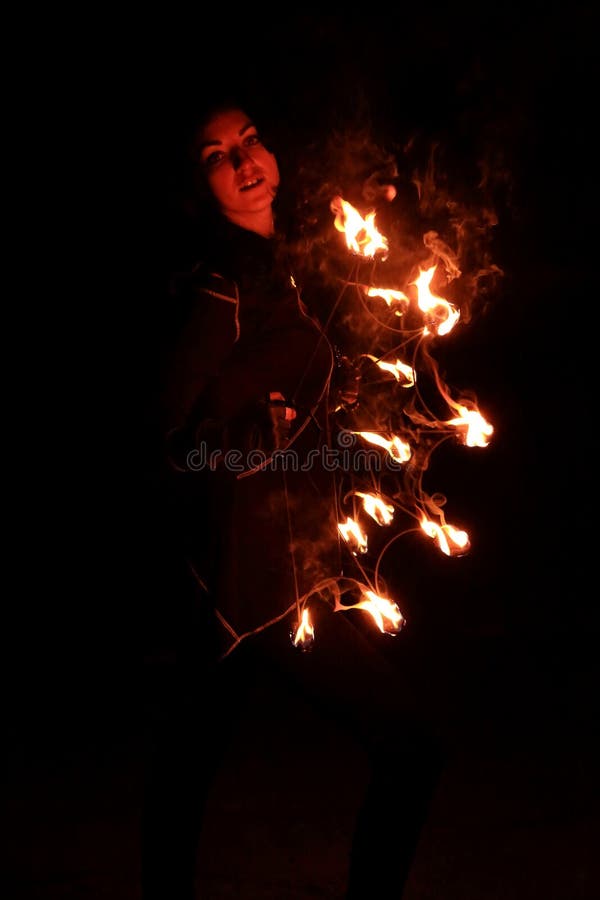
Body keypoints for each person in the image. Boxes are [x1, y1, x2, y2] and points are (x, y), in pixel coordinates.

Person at [142, 96, 446, 899]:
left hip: (276, 569)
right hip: (263, 585)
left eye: (249, 141)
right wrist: (249, 438)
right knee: (411, 746)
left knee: (186, 763)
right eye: (216, 156)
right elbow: (175, 442)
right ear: (197, 184)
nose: (244, 162)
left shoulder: (285, 263)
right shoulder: (220, 290)